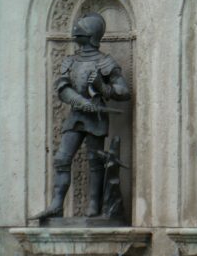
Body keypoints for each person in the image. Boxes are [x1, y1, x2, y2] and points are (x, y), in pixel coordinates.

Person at [31, 12, 130, 220]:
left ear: (92, 34)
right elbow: (62, 87)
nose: (77, 31)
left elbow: (124, 91)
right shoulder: (71, 61)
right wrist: (80, 101)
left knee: (95, 161)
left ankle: (94, 206)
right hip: (77, 114)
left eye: (82, 28)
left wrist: (103, 88)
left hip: (96, 116)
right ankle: (57, 204)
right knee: (61, 158)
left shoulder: (105, 62)